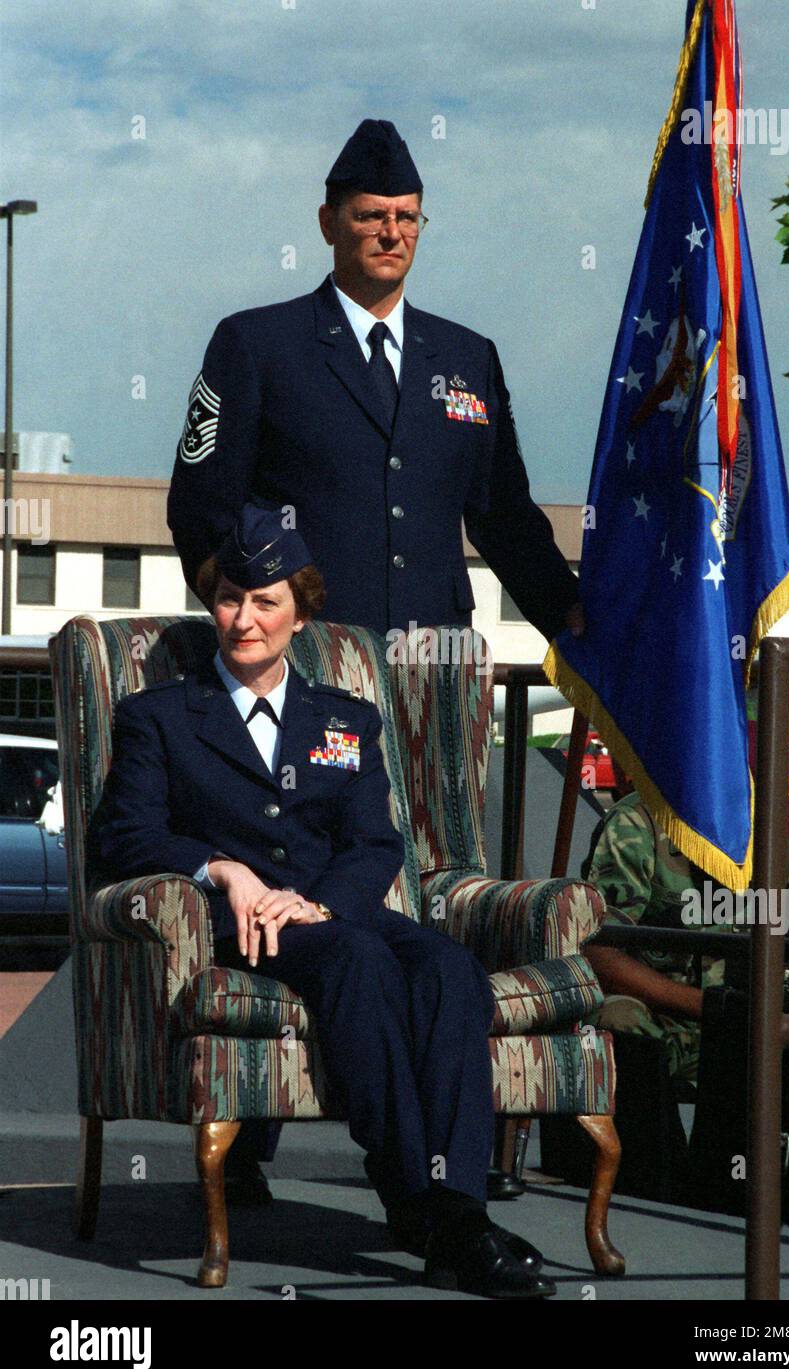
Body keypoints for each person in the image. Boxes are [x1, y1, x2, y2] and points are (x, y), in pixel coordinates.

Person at [87, 504, 554, 1298]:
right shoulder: (157, 717)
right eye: (231, 597)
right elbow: (122, 837)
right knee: (361, 961)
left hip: (333, 911)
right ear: (214, 603)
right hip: (237, 924)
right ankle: (420, 1201)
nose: (244, 619)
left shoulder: (345, 719)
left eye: (266, 601)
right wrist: (222, 870)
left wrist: (323, 904)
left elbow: (375, 843)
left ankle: (456, 1206)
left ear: (301, 614)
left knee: (445, 966)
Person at [166, 118, 583, 646]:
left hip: (433, 664)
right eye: (371, 216)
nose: (392, 232)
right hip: (305, 658)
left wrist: (566, 610)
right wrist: (253, 624)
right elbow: (202, 510)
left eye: (407, 217)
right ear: (327, 223)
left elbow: (503, 516)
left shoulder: (468, 358)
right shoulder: (257, 345)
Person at [580, 724, 789, 1084]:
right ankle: (652, 1143)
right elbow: (599, 954)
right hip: (666, 1021)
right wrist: (709, 1007)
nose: (769, 834)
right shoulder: (637, 826)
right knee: (617, 1021)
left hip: (763, 1026)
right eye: (756, 815)